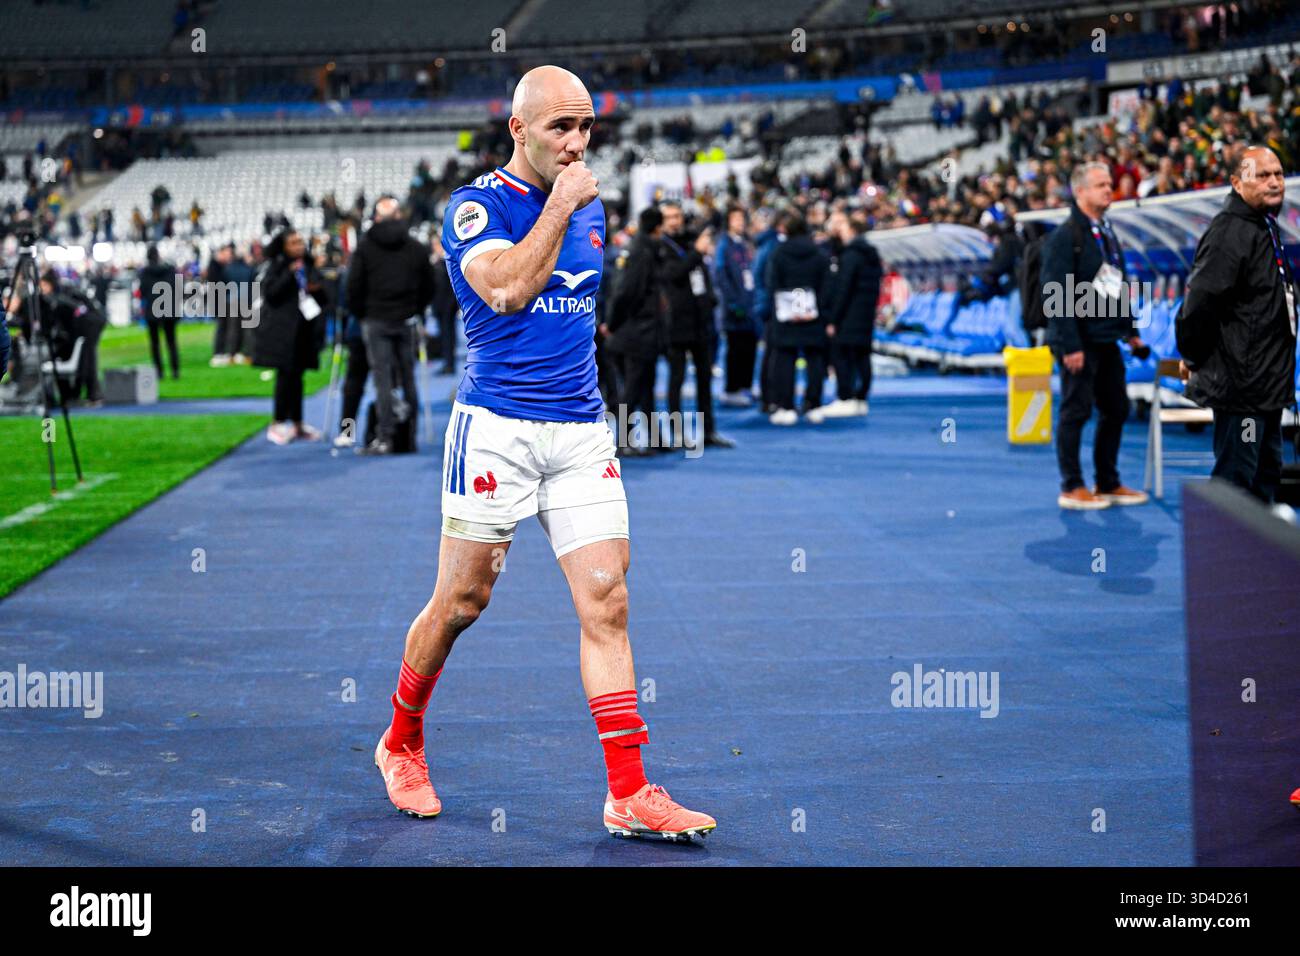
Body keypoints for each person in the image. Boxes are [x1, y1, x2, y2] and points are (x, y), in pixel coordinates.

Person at [374, 64, 716, 840]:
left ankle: (628, 790)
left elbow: (574, 313)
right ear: (518, 130)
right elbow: (504, 292)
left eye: (586, 126)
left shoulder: (593, 209)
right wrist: (560, 207)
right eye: (560, 127)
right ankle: (401, 740)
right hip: (496, 428)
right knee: (462, 604)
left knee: (610, 599)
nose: (576, 142)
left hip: (580, 431)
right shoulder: (473, 207)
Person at [1177, 146, 1297, 505]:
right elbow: (1200, 304)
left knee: (1264, 479)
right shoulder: (1231, 231)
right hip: (1243, 391)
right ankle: (1225, 560)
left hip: (1267, 386)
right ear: (1236, 183)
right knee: (1237, 484)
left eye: (1278, 173)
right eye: (1262, 175)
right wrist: (1192, 356)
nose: (1274, 181)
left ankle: (1253, 560)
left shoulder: (1263, 226)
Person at [1040, 161, 1150, 510]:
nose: (1109, 189)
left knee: (1116, 408)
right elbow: (1056, 292)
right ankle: (1072, 485)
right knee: (1076, 411)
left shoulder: (1107, 233)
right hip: (1079, 342)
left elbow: (1117, 285)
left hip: (1106, 338)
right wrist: (1070, 345)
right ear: (1080, 191)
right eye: (1101, 185)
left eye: (1109, 184)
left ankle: (1107, 481)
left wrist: (1130, 330)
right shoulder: (1065, 237)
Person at [346, 196, 435, 455]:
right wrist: (416, 309)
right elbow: (430, 285)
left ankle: (385, 437)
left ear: (376, 217)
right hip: (406, 319)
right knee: (409, 378)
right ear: (399, 216)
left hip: (376, 320)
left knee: (382, 380)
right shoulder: (416, 248)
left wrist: (362, 313)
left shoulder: (364, 247)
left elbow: (353, 287)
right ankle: (411, 437)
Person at [659, 202, 733, 449]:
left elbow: (701, 274)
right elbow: (674, 274)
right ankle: (678, 434)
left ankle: (708, 431)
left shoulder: (690, 241)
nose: (674, 221)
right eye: (669, 217)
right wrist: (697, 253)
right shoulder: (661, 247)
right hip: (676, 323)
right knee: (676, 380)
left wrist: (710, 300)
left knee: (705, 379)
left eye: (677, 216)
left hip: (701, 321)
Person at [252, 229, 327, 445]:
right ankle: (277, 423)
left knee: (297, 377)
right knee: (284, 377)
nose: (299, 246)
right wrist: (289, 273)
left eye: (300, 242)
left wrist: (317, 288)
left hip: (304, 330)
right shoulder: (276, 265)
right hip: (281, 332)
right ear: (283, 246)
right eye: (293, 243)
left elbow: (321, 297)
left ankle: (297, 423)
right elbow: (271, 294)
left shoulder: (309, 264)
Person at [605, 205, 668, 455]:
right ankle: (624, 441)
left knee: (644, 385)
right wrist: (612, 323)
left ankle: (654, 439)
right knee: (632, 389)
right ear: (657, 227)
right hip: (636, 330)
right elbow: (625, 292)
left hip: (639, 329)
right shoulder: (642, 252)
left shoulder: (638, 248)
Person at [767, 213, 830, 425]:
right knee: (815, 360)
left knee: (785, 359)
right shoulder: (820, 255)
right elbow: (827, 287)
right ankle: (814, 404)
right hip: (813, 315)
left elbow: (772, 284)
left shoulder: (778, 254)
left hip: (785, 315)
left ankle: (786, 406)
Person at [822, 213, 880, 418]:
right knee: (863, 356)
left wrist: (833, 319)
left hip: (849, 316)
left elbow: (843, 289)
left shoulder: (850, 256)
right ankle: (861, 397)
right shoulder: (872, 255)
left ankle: (845, 396)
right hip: (865, 314)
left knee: (842, 355)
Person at [713, 206, 758, 406]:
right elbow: (721, 276)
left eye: (742, 219)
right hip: (734, 307)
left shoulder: (746, 244)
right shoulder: (724, 245)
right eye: (735, 219)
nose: (740, 222)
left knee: (750, 346)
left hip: (749, 304)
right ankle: (732, 389)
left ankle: (746, 386)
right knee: (735, 348)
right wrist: (732, 302)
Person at [137, 245, 180, 380]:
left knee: (155, 344)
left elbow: (142, 291)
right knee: (171, 342)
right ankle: (175, 371)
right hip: (169, 309)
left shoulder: (145, 273)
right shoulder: (170, 270)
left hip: (152, 311)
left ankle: (159, 372)